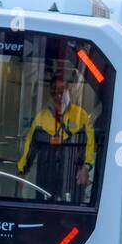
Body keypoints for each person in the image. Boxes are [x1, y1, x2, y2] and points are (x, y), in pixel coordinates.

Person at [17, 70, 95, 201]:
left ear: (68, 91)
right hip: (45, 174)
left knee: (69, 215)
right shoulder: (42, 117)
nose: (58, 94)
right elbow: (29, 146)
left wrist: (86, 168)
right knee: (43, 211)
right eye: (55, 90)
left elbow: (90, 145)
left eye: (62, 90)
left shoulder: (80, 116)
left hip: (71, 175)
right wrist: (22, 172)